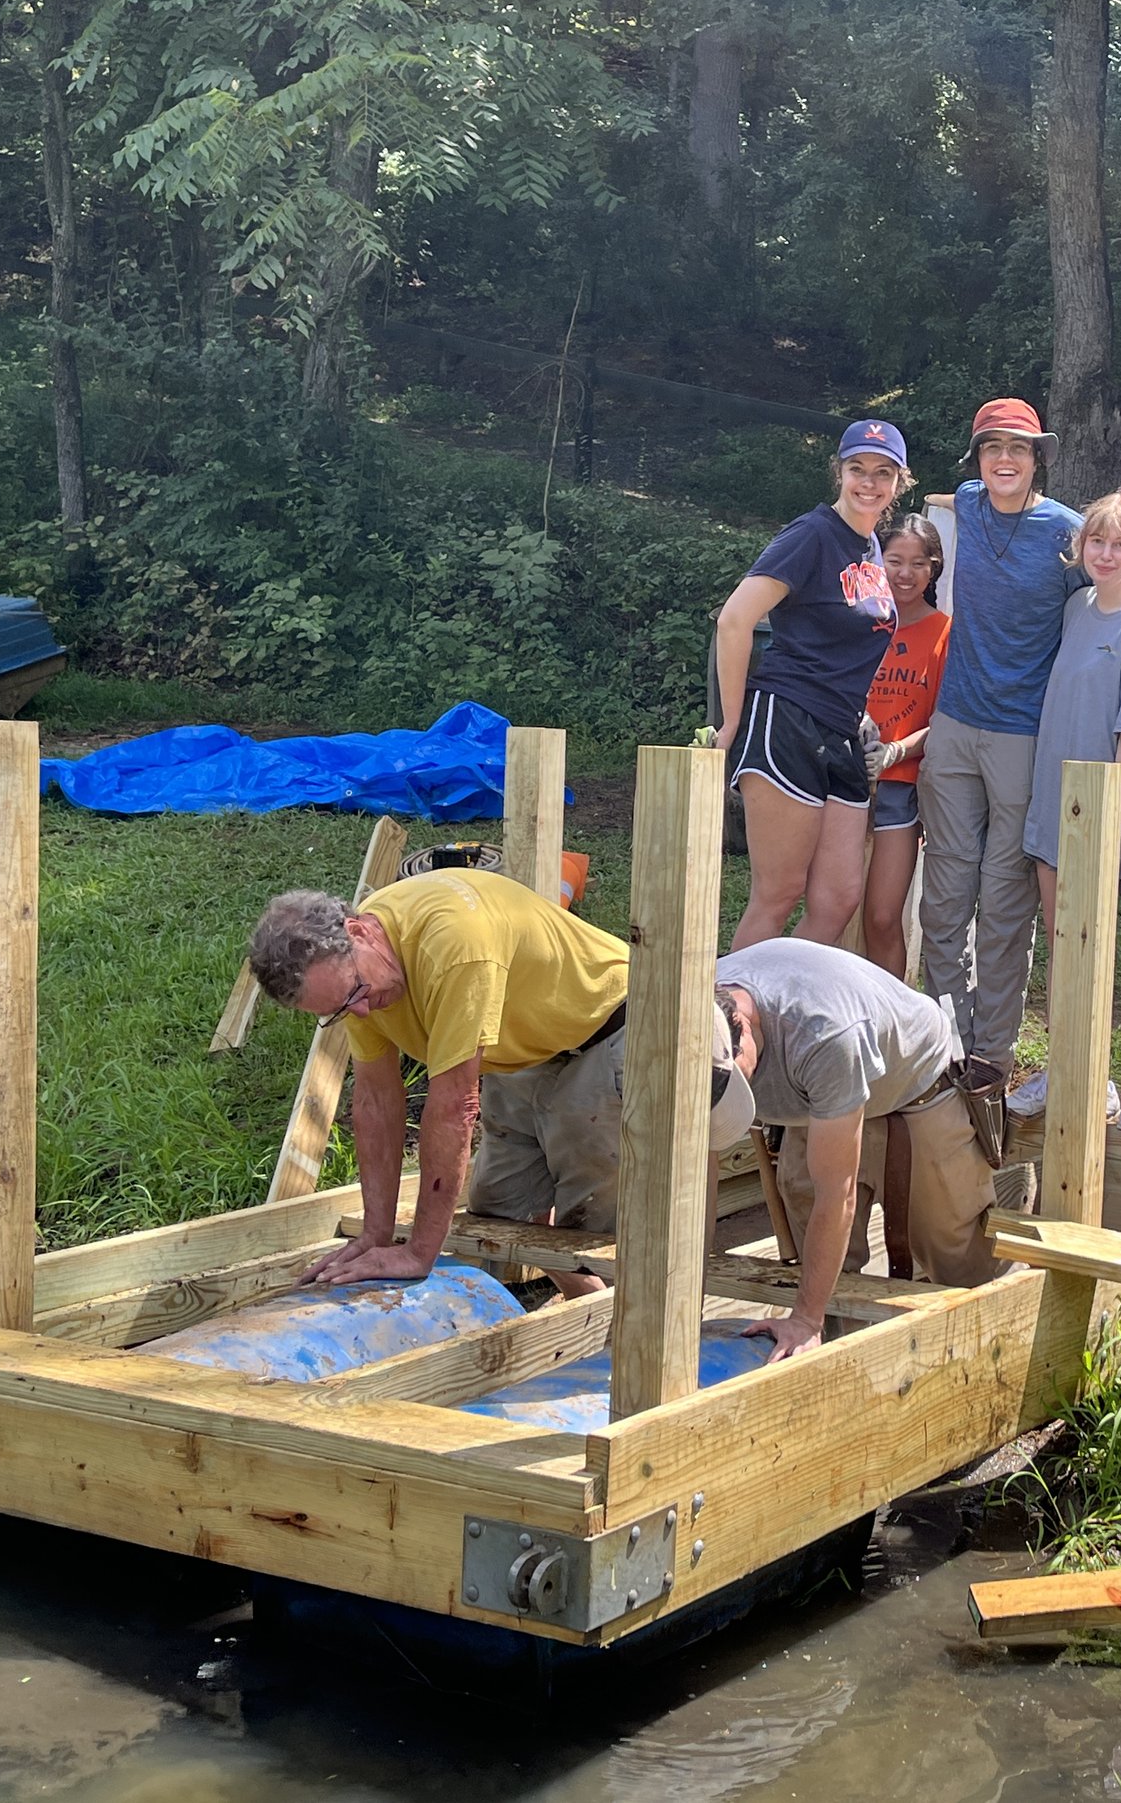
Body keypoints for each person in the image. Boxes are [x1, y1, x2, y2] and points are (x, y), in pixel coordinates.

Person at [247, 869, 750, 1289]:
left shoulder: (454, 944)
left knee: (594, 1222)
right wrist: (377, 1236)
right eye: (339, 1011)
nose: (359, 1010)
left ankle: (627, 1343)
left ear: (360, 931)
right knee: (499, 1209)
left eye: (356, 991)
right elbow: (377, 1101)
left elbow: (452, 1107)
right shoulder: (356, 979)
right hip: (526, 1044)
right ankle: (590, 1308)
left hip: (617, 1024)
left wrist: (420, 1253)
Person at [716, 938, 1006, 1361]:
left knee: (959, 1259)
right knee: (807, 1209)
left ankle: (992, 1356)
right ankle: (844, 1359)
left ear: (743, 1022)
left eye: (739, 1083)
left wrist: (804, 1320)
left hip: (916, 1087)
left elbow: (839, 1191)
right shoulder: (692, 1016)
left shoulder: (822, 1033)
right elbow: (697, 1168)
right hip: (821, 1099)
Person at [917, 399, 1086, 1076]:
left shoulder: (1069, 532)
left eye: (1018, 449)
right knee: (945, 893)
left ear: (1038, 456)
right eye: (992, 450)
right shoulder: (966, 501)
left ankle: (992, 1050)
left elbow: (1113, 591)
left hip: (1023, 733)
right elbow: (940, 499)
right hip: (954, 724)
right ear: (977, 459)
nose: (1005, 461)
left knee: (1005, 896)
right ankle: (942, 1040)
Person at [715, 419, 915, 951]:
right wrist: (731, 721)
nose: (868, 483)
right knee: (779, 894)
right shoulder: (811, 534)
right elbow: (735, 620)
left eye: (882, 472)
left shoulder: (872, 546)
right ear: (839, 472)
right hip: (788, 718)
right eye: (857, 470)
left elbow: (851, 640)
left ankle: (780, 1016)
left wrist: (864, 711)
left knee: (837, 899)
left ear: (899, 481)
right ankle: (726, 1024)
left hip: (843, 733)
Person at [1005, 489, 1121, 1119]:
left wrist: (1105, 823)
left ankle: (1092, 1076)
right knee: (1058, 937)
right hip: (1052, 802)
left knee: (1088, 940)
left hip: (1097, 816)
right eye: (1096, 541)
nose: (1106, 553)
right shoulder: (1077, 608)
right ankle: (1062, 1066)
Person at [860, 516, 950, 982]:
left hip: (901, 789)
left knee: (881, 916)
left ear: (933, 570)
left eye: (918, 563)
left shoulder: (944, 633)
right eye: (894, 560)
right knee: (834, 910)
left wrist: (896, 752)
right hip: (842, 779)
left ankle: (891, 1025)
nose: (905, 573)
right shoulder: (858, 626)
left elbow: (945, 723)